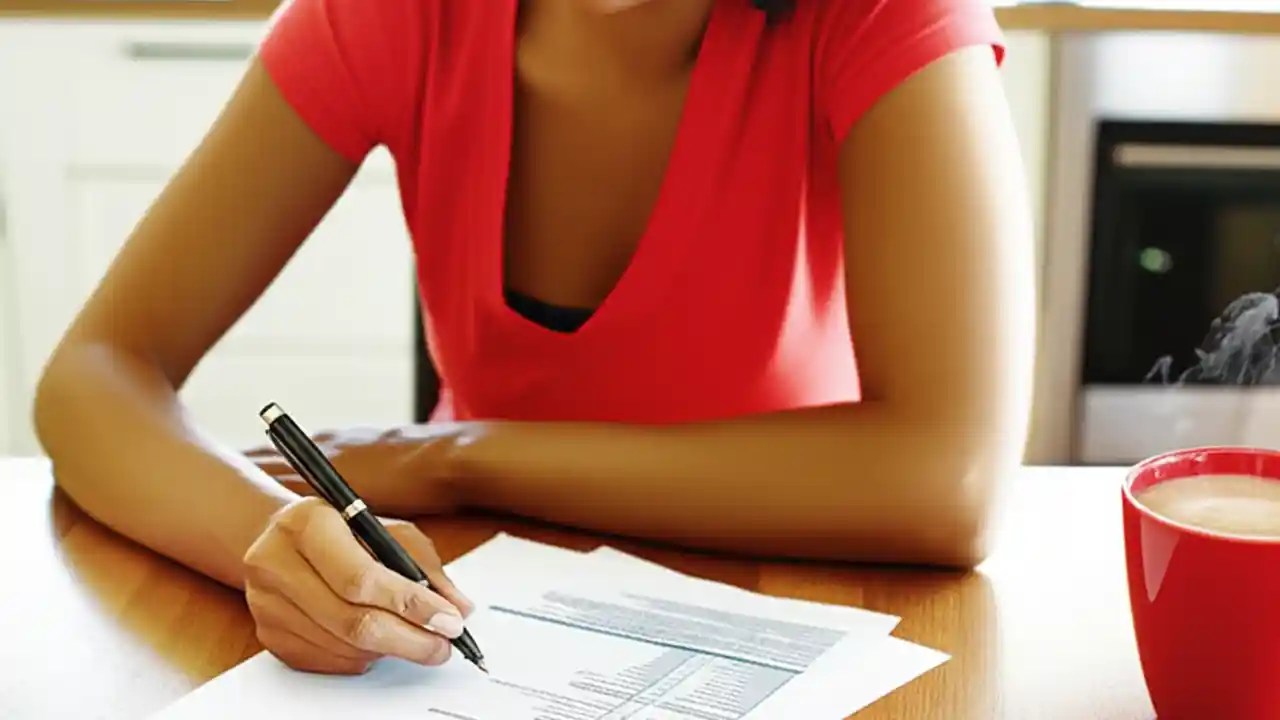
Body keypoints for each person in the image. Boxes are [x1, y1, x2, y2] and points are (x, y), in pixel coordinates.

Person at [33, 0, 1034, 678]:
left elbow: (945, 482)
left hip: (796, 589)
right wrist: (269, 539)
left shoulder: (881, 15)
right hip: (478, 605)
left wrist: (465, 457)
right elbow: (94, 373)